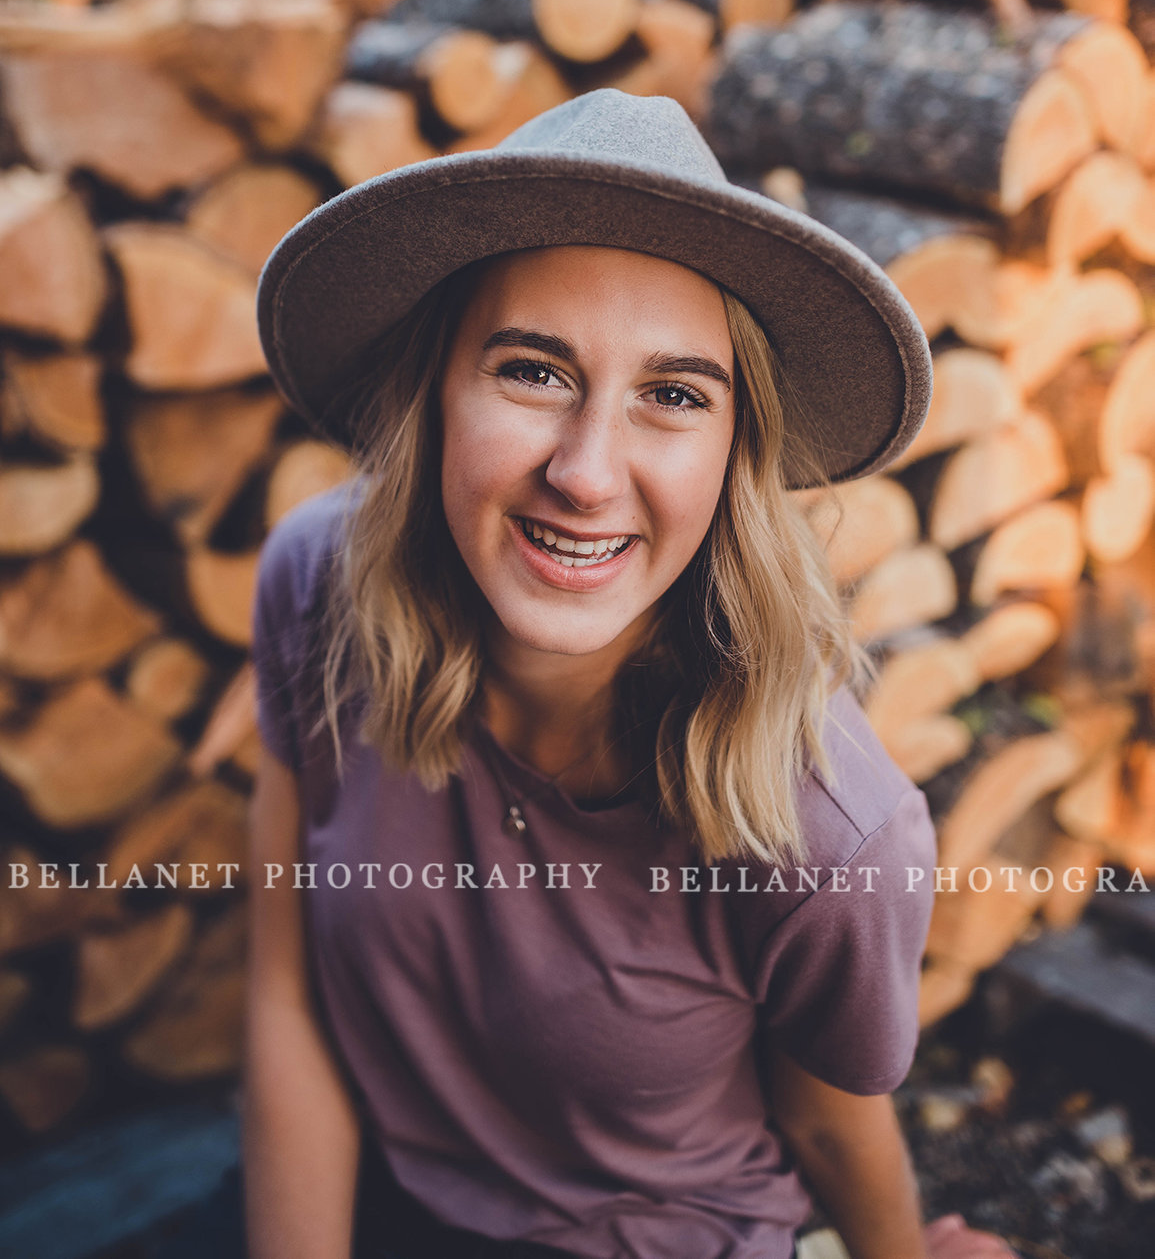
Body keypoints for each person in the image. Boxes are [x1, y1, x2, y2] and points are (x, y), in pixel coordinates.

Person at [243, 90, 1016, 1259]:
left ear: (735, 450)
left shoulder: (830, 830)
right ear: (434, 390)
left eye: (673, 394)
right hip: (386, 1201)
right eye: (534, 370)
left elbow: (832, 1129)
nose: (588, 473)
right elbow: (284, 998)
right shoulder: (319, 587)